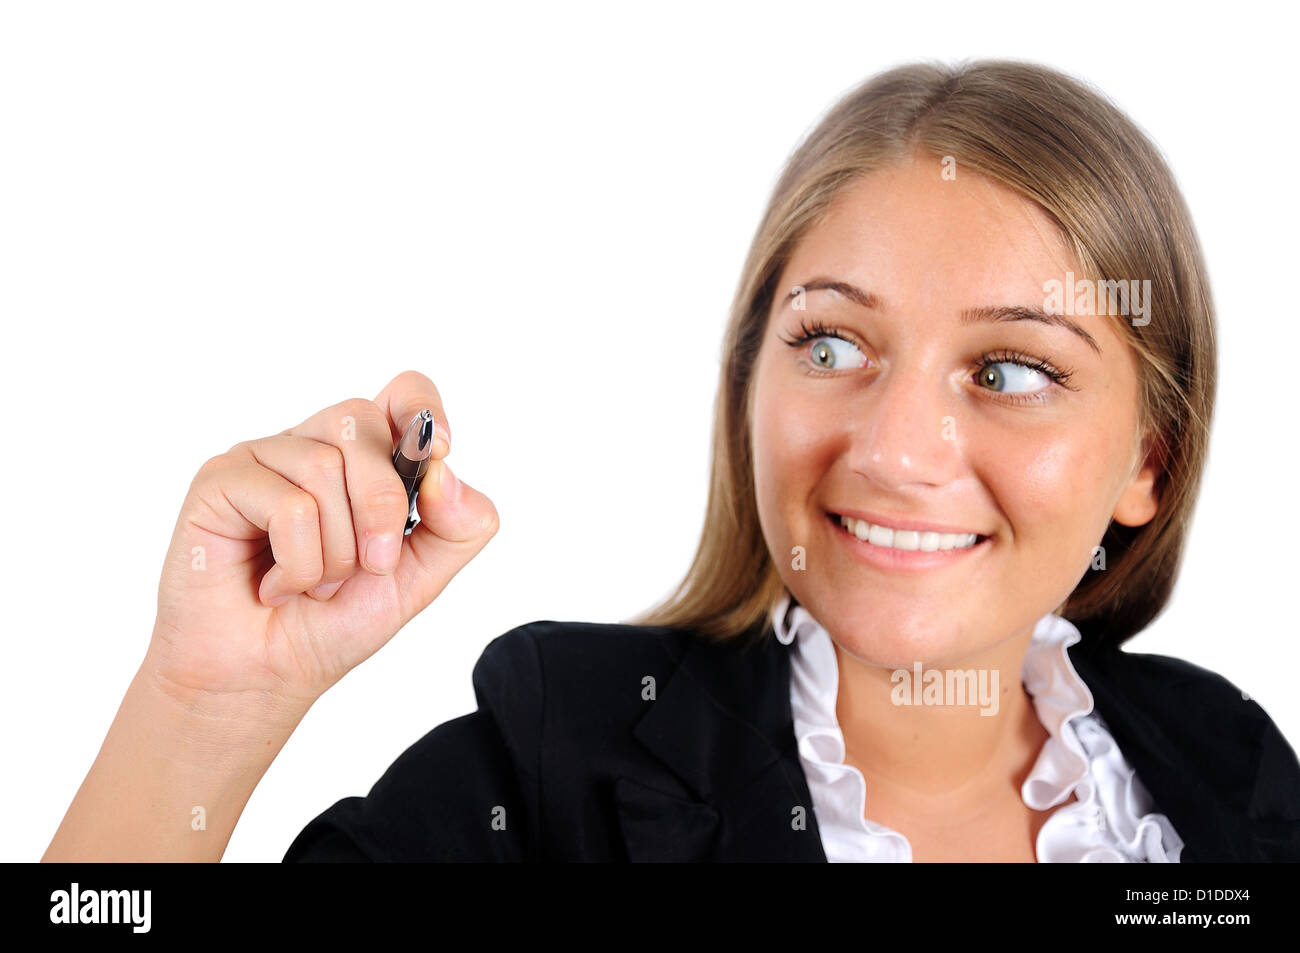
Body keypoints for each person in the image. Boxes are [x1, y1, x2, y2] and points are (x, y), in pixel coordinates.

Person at [43, 59, 1300, 863]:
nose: (896, 447)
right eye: (831, 343)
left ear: (1147, 460)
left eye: (1011, 369)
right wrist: (202, 709)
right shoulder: (560, 762)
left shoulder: (1222, 765)